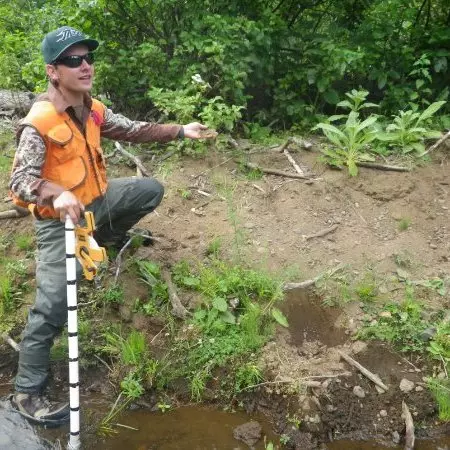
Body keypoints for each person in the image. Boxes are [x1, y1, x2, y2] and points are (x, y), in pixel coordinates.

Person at [9, 26, 210, 425]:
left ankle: (103, 241)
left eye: (88, 58)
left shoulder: (93, 108)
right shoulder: (40, 121)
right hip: (59, 222)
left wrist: (180, 131)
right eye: (73, 60)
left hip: (98, 202)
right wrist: (54, 191)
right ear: (53, 71)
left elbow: (132, 128)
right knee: (51, 305)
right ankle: (26, 392)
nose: (85, 66)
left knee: (148, 190)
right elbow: (19, 181)